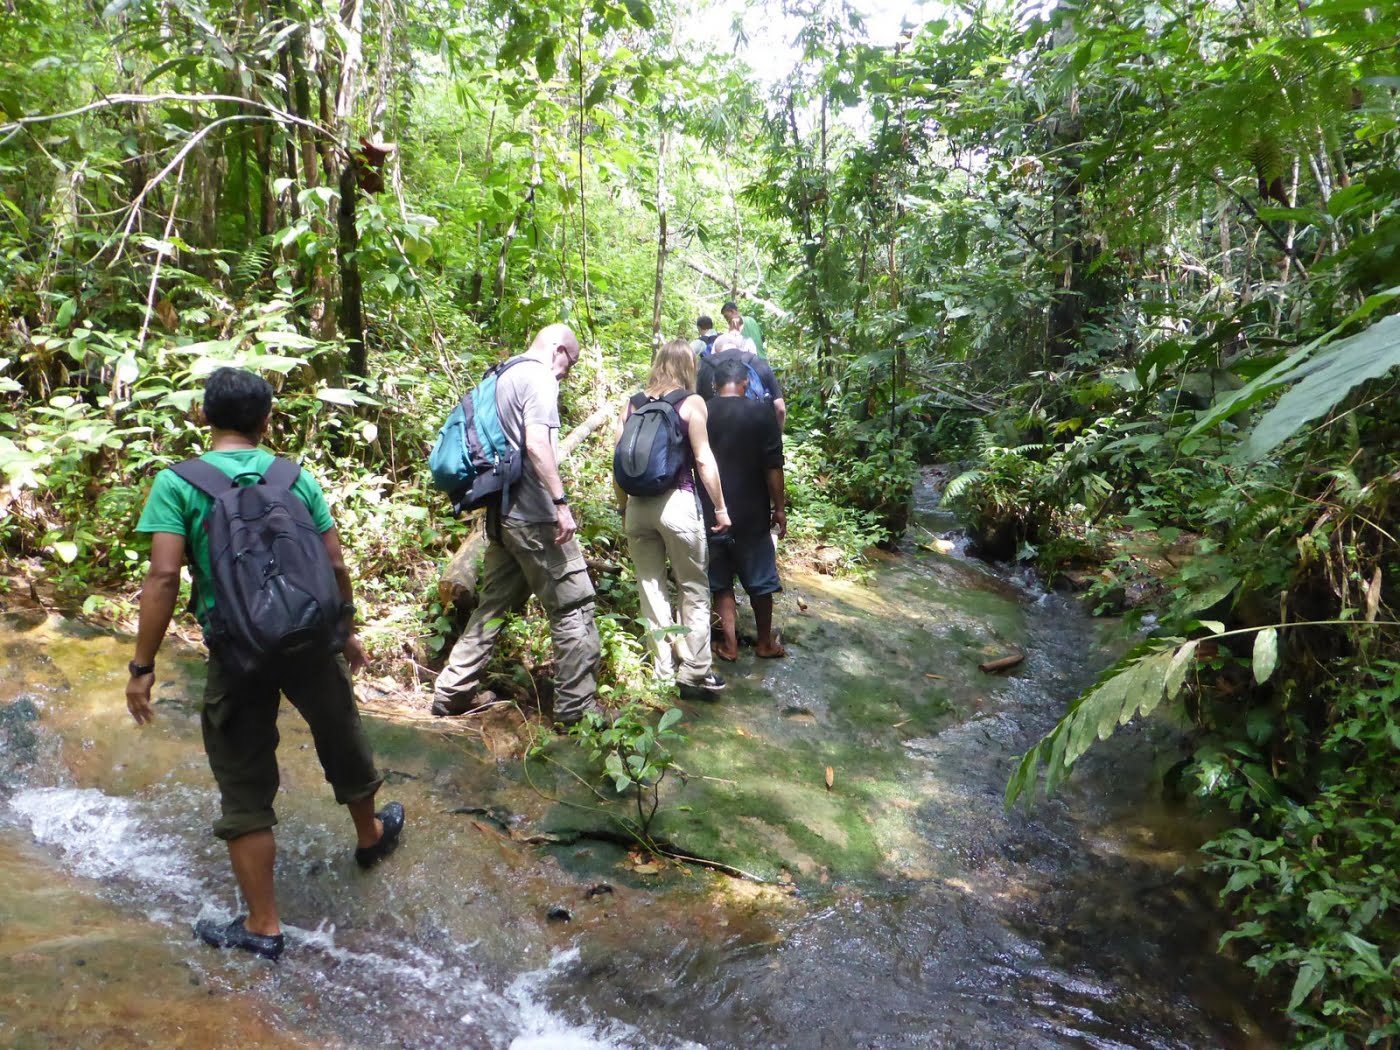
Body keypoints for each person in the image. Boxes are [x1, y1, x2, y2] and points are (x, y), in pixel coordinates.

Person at [126, 367, 401, 963]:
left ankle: (263, 924)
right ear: (266, 421)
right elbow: (333, 562)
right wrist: (345, 632)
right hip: (308, 639)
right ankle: (368, 835)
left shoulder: (178, 484)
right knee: (339, 730)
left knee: (244, 773)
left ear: (205, 417)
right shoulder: (293, 476)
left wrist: (142, 665)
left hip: (237, 650)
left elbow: (165, 576)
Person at [431, 324, 603, 726]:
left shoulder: (502, 373)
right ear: (558, 349)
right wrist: (560, 504)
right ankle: (577, 710)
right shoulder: (539, 379)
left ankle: (452, 691)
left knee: (493, 605)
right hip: (535, 517)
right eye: (570, 363)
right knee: (574, 606)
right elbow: (536, 445)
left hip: (503, 517)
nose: (567, 372)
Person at [616, 339, 732, 700]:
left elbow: (616, 460)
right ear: (688, 367)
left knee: (651, 590)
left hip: (638, 506)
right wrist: (721, 507)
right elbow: (703, 459)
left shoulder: (633, 402)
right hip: (678, 503)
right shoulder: (691, 402)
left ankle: (662, 672)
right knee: (693, 588)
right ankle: (695, 672)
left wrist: (624, 508)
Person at [701, 356, 787, 661]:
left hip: (713, 511)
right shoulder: (762, 413)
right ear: (746, 383)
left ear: (713, 385)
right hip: (753, 511)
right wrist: (779, 508)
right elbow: (773, 467)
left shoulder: (703, 412)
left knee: (721, 579)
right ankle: (765, 643)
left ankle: (730, 644)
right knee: (761, 578)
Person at [696, 331, 787, 430]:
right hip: (754, 433)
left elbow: (695, 408)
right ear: (738, 347)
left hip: (714, 435)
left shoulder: (703, 365)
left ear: (715, 350)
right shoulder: (756, 361)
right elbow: (780, 408)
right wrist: (777, 435)